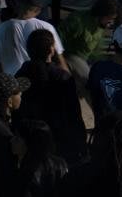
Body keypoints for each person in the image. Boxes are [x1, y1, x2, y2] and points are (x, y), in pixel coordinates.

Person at [20, 28, 88, 165]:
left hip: (30, 138)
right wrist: (81, 144)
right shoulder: (62, 77)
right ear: (52, 50)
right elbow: (73, 113)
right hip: (59, 139)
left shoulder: (22, 73)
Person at [0, 0, 62, 77]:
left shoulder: (1, 28)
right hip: (39, 77)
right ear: (38, 11)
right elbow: (60, 59)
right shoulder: (47, 27)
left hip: (12, 80)